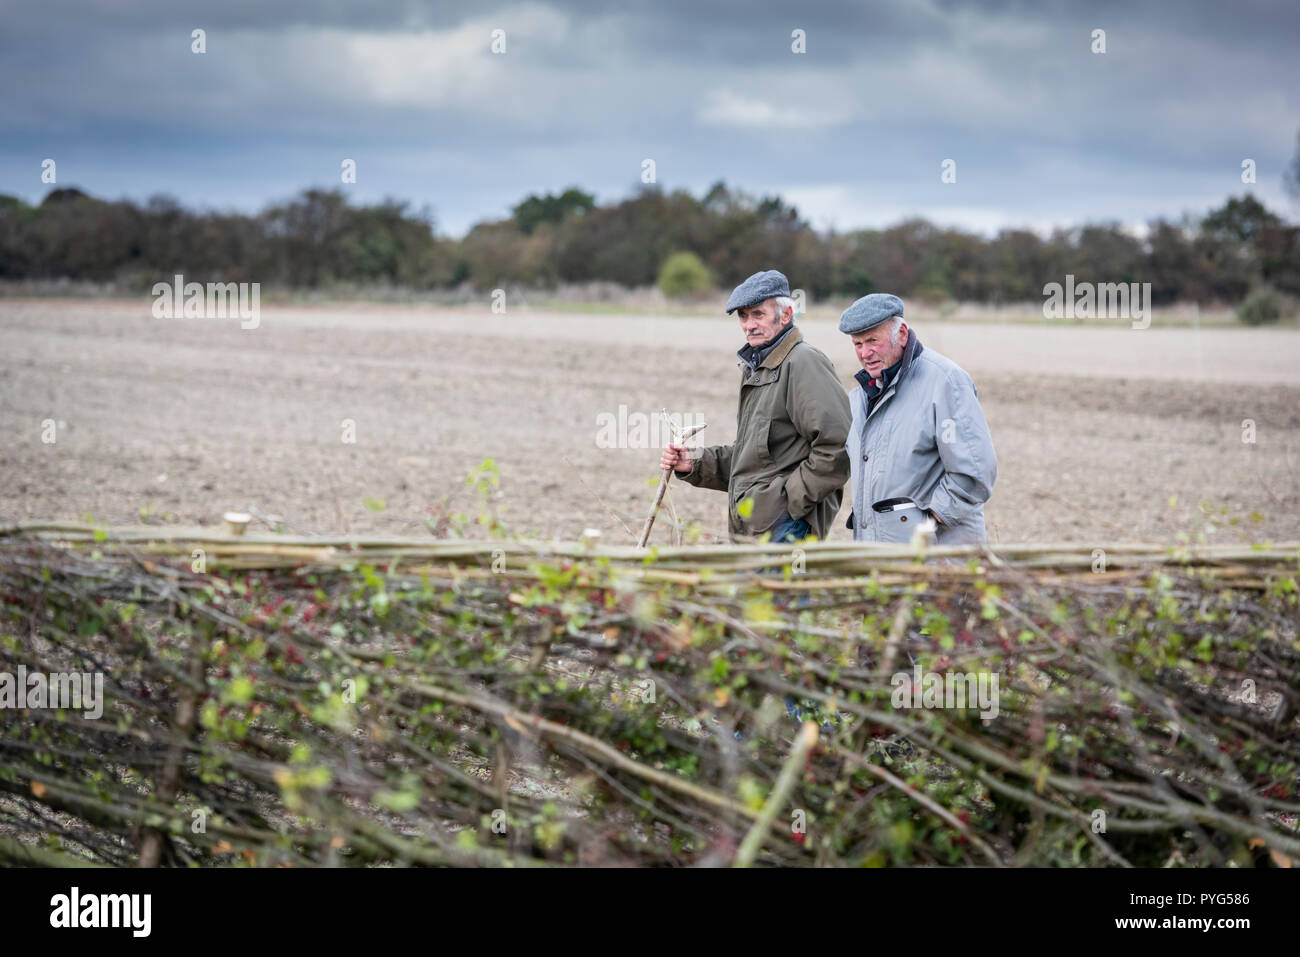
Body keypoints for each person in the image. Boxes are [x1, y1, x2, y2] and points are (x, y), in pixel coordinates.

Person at [660, 269, 851, 543]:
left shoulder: (803, 363)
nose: (749, 324)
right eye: (743, 316)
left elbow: (838, 446)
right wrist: (694, 463)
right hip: (757, 528)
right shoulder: (759, 368)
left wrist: (786, 503)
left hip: (788, 530)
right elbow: (755, 458)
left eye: (758, 314)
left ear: (786, 315)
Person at [840, 293, 997, 544]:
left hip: (936, 557)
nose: (865, 353)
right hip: (878, 557)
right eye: (857, 344)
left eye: (872, 341)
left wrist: (928, 524)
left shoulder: (945, 382)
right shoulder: (859, 398)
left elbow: (975, 471)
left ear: (901, 334)